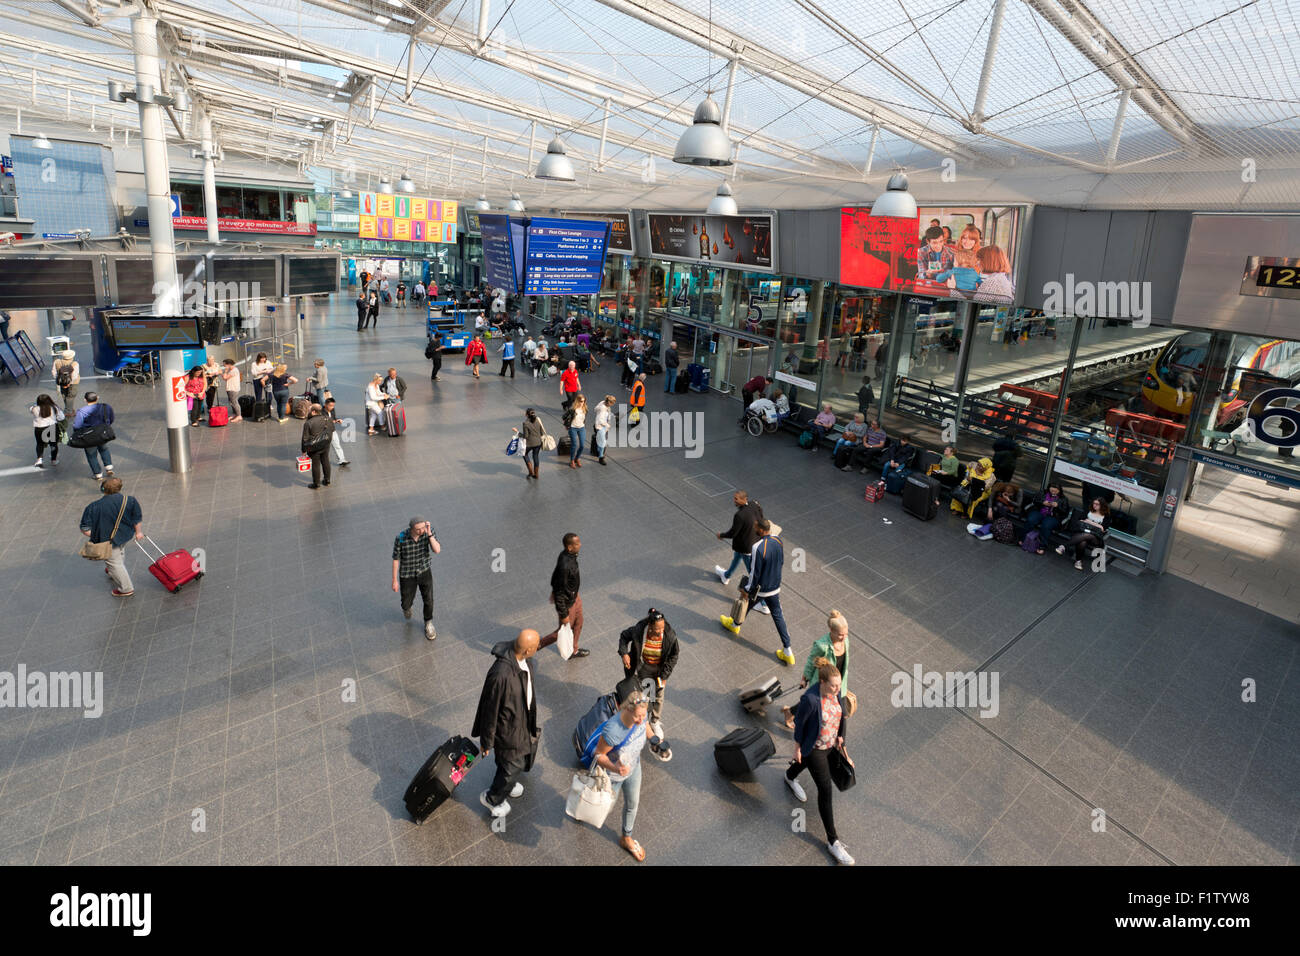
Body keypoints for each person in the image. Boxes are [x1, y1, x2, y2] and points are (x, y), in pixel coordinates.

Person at [785, 656, 855, 865]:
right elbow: (800, 724)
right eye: (833, 686)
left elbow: (841, 714)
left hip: (831, 744)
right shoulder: (811, 699)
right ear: (822, 683)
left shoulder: (836, 692)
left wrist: (841, 738)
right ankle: (833, 842)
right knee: (825, 790)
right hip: (814, 748)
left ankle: (789, 776)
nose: (837, 689)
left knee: (804, 766)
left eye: (839, 685)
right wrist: (797, 749)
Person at [473, 628, 541, 819]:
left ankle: (507, 784)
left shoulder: (525, 661)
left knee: (509, 762)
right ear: (527, 650)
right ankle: (492, 798)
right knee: (513, 765)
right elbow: (489, 710)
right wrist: (487, 742)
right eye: (536, 646)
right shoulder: (501, 674)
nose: (539, 647)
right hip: (508, 730)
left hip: (521, 721)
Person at [720, 519, 795, 666]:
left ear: (761, 530)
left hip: (760, 589)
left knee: (746, 603)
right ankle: (788, 651)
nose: (754, 529)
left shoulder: (757, 547)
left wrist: (747, 589)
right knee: (778, 615)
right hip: (774, 586)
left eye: (755, 527)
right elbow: (781, 562)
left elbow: (754, 573)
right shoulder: (778, 541)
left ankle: (734, 625)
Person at [590, 690, 651, 860]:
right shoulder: (613, 730)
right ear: (628, 709)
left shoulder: (641, 716)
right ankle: (584, 806)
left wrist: (653, 738)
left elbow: (645, 724)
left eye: (643, 715)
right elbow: (598, 755)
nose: (641, 720)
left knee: (633, 803)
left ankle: (626, 837)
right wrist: (616, 768)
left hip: (634, 768)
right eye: (638, 717)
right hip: (614, 778)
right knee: (604, 809)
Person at [619, 609, 678, 757]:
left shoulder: (669, 636)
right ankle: (641, 721)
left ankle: (655, 721)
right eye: (657, 629)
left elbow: (674, 655)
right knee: (640, 697)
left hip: (658, 670)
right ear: (650, 627)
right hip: (641, 668)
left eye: (662, 628)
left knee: (658, 695)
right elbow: (624, 636)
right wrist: (624, 653)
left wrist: (664, 676)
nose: (660, 632)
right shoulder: (639, 631)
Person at [784, 610, 850, 730]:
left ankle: (840, 743)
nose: (844, 637)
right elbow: (811, 661)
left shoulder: (845, 642)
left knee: (843, 714)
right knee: (813, 705)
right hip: (823, 683)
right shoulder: (822, 645)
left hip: (839, 682)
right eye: (841, 634)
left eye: (846, 634)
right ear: (831, 630)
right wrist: (805, 678)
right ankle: (791, 712)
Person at [80, 476, 143, 598]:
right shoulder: (129, 500)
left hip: (106, 540)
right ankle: (113, 569)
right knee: (119, 550)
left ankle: (126, 588)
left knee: (114, 563)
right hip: (125, 534)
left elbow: (85, 528)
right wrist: (138, 533)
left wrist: (96, 535)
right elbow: (137, 519)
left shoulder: (93, 507)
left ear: (103, 489)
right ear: (120, 488)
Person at [539, 532, 587, 658]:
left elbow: (556, 576)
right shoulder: (565, 564)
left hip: (574, 596)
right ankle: (534, 646)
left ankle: (573, 650)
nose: (580, 545)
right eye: (577, 543)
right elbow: (560, 592)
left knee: (579, 622)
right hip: (567, 602)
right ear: (569, 547)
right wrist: (564, 614)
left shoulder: (568, 555)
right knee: (562, 631)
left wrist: (554, 590)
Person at [392, 516, 441, 639]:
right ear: (411, 529)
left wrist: (429, 534)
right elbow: (396, 559)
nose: (422, 531)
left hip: (424, 571)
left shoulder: (428, 532)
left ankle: (428, 623)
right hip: (407, 575)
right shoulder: (401, 538)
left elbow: (437, 550)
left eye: (423, 527)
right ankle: (406, 608)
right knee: (406, 603)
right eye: (418, 529)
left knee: (429, 599)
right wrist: (394, 580)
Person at [716, 490, 764, 584]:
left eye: (736, 499)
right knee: (737, 557)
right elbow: (761, 516)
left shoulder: (739, 515)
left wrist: (721, 535)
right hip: (754, 540)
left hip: (746, 547)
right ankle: (726, 575)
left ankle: (761, 596)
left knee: (751, 571)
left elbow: (733, 533)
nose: (734, 500)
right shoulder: (754, 504)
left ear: (744, 499)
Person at [1058, 498, 1111, 571]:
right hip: (1082, 533)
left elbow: (1103, 528)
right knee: (1083, 542)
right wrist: (1095, 524)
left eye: (1097, 504)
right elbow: (1080, 520)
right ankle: (1078, 561)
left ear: (1102, 505)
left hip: (1095, 538)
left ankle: (1064, 546)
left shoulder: (1106, 516)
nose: (1094, 505)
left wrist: (1089, 522)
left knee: (1087, 535)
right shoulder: (1088, 511)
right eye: (1094, 503)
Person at [71, 392, 115, 478]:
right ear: (97, 398)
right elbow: (111, 418)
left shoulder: (81, 411)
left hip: (89, 436)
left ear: (85, 400)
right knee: (104, 449)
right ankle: (109, 467)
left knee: (91, 455)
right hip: (102, 433)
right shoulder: (106, 407)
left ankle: (97, 474)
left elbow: (77, 425)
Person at [1020, 483, 1069, 552]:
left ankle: (1042, 546)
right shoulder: (1043, 493)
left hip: (1053, 516)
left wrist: (1058, 507)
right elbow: (1035, 501)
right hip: (1039, 512)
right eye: (1052, 490)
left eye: (1055, 491)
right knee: (1031, 519)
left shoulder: (1063, 499)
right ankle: (1024, 539)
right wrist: (1042, 502)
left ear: (1059, 491)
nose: (1053, 492)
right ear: (1049, 488)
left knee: (1046, 526)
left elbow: (1065, 511)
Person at [300, 404, 334, 490]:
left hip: (314, 447)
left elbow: (305, 439)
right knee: (325, 460)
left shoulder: (308, 423)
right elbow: (332, 430)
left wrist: (304, 450)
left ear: (314, 412)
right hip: (326, 444)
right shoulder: (327, 419)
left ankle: (316, 483)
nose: (308, 412)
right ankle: (327, 480)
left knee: (316, 464)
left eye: (309, 410)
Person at [512, 407, 548, 480]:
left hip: (529, 444)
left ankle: (531, 472)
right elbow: (541, 432)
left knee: (525, 454)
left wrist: (517, 432)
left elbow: (525, 436)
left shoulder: (525, 423)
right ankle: (536, 474)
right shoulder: (538, 420)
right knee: (536, 456)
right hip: (538, 442)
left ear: (526, 415)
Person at [29, 393, 64, 467]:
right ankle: (53, 460)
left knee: (40, 444)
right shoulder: (54, 407)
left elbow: (31, 408)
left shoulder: (34, 408)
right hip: (52, 427)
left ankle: (39, 459)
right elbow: (62, 417)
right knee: (53, 444)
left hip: (39, 428)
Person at [322, 397, 350, 467]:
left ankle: (342, 460)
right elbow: (323, 422)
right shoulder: (321, 412)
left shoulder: (332, 410)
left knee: (337, 445)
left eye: (333, 406)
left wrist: (337, 420)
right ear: (325, 405)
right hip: (324, 432)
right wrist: (333, 421)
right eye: (330, 405)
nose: (332, 407)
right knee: (322, 447)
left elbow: (333, 418)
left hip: (332, 430)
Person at [564, 394, 587, 469]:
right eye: (581, 401)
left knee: (582, 445)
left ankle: (577, 458)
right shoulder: (572, 409)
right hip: (573, 428)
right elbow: (564, 417)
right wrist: (567, 425)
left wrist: (583, 424)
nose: (582, 403)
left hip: (581, 428)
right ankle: (572, 461)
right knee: (574, 445)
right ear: (577, 401)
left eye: (583, 401)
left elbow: (584, 418)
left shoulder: (585, 409)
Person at [593, 394, 615, 466]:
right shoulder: (603, 408)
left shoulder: (602, 402)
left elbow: (595, 409)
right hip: (600, 427)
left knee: (601, 441)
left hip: (603, 426)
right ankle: (601, 457)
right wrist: (607, 425)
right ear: (609, 402)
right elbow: (601, 420)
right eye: (612, 404)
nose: (612, 405)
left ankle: (599, 452)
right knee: (603, 442)